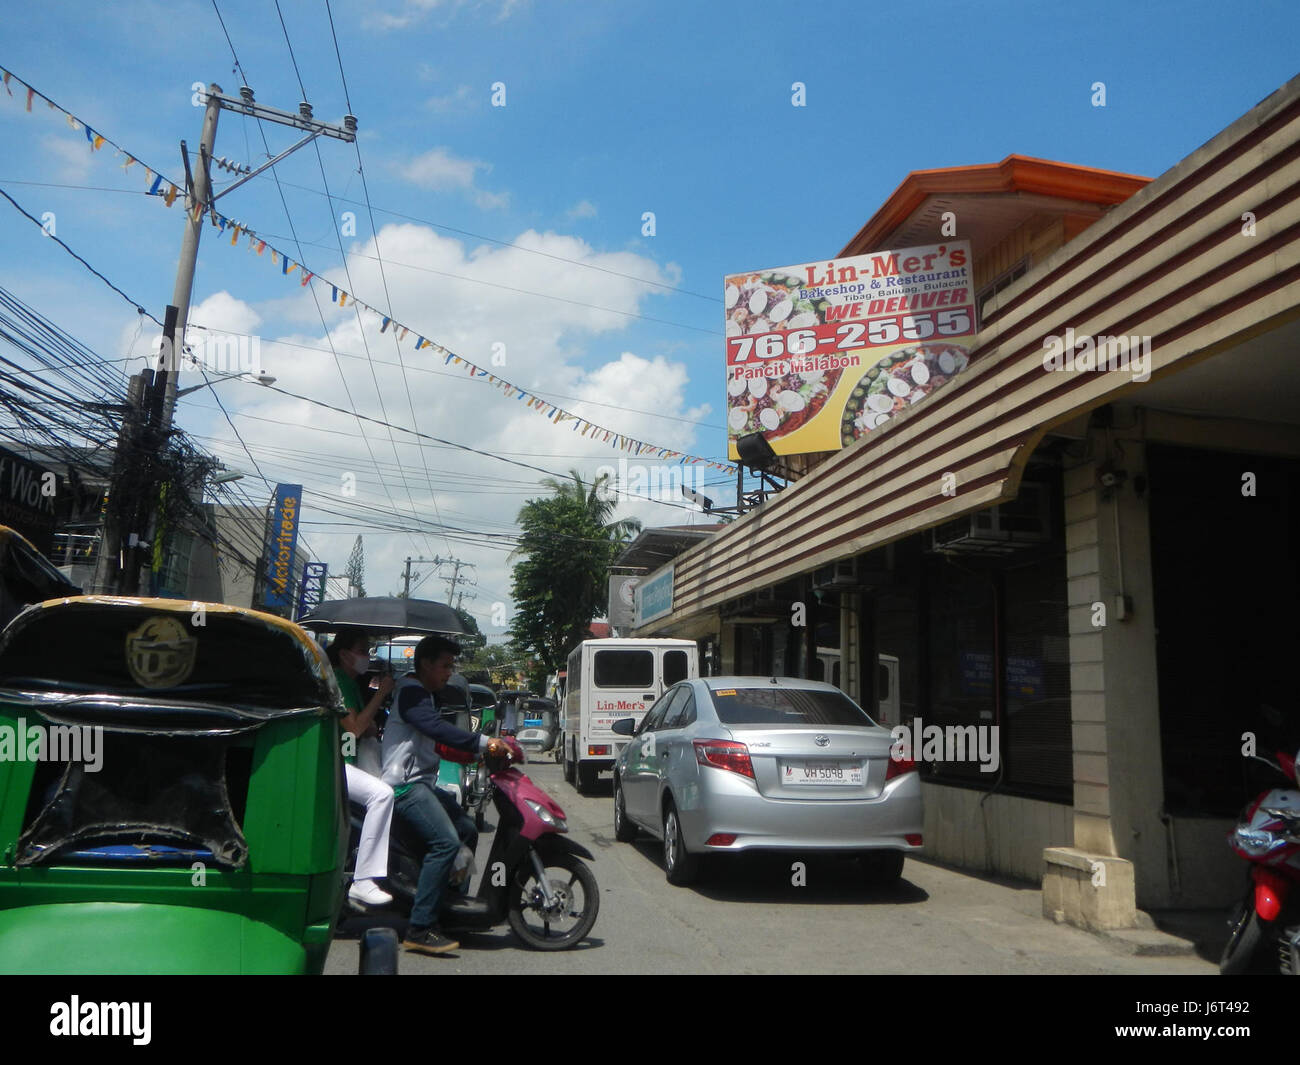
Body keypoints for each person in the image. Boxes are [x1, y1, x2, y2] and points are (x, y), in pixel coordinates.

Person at [381, 634, 503, 956]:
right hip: (404, 788)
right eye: (445, 666)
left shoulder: (424, 694)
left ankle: (449, 908)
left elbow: (436, 741)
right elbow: (436, 729)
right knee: (446, 842)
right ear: (425, 664)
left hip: (423, 784)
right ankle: (420, 927)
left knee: (466, 829)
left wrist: (474, 754)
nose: (450, 673)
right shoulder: (411, 692)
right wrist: (481, 743)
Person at [327, 631, 397, 910]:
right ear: (344, 654)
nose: (366, 656)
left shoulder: (352, 683)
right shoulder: (338, 679)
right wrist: (381, 693)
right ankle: (364, 880)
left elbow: (363, 725)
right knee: (382, 795)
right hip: (334, 764)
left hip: (348, 761)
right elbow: (355, 728)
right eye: (362, 650)